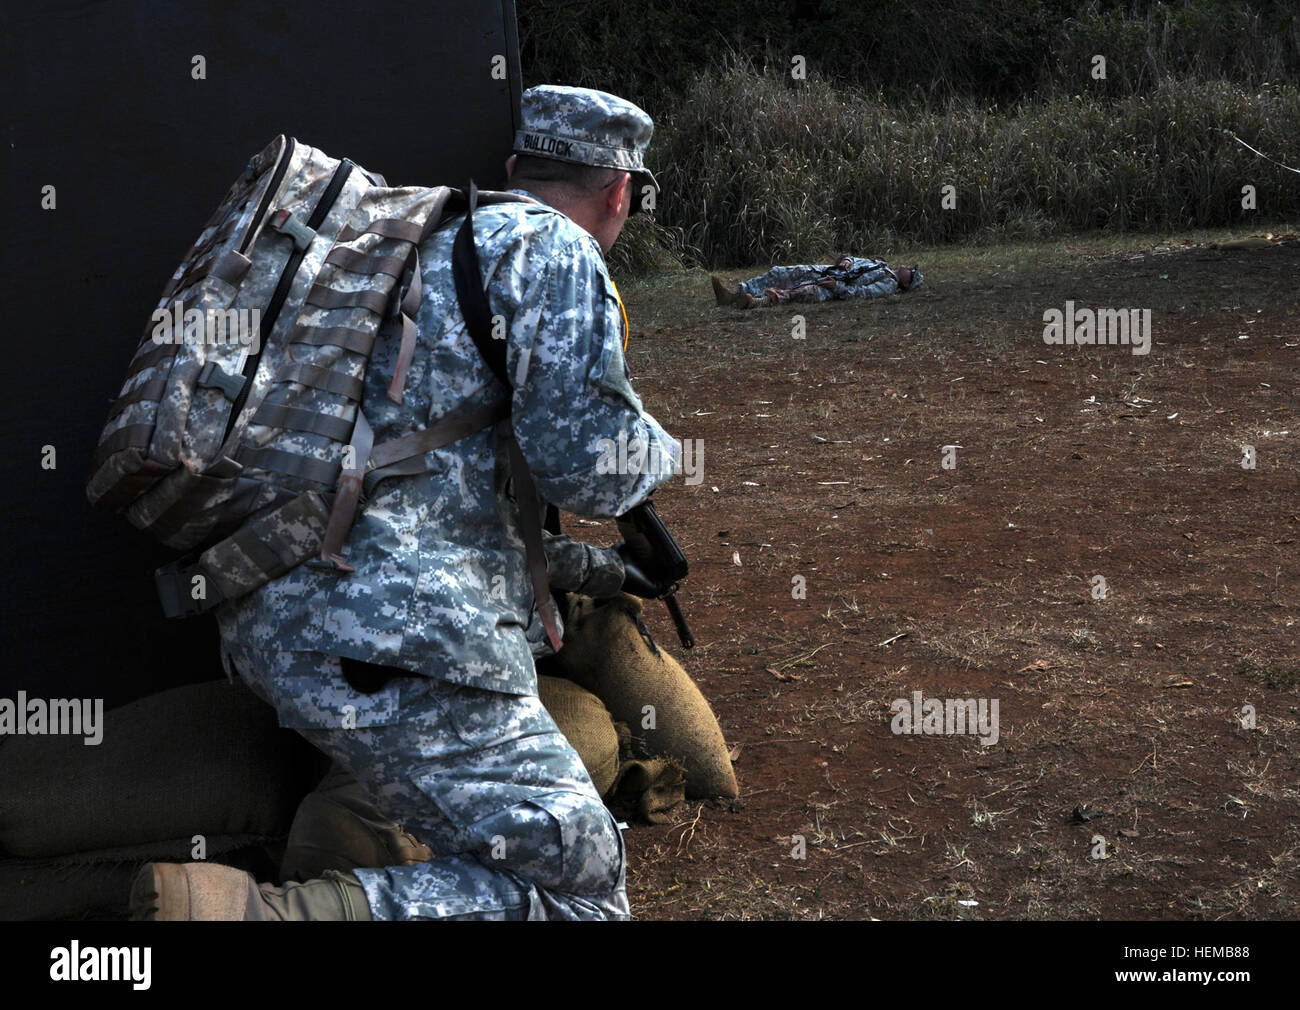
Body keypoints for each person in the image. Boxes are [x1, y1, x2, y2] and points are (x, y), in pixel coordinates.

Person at [130, 85, 681, 921]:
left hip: (281, 609)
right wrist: (665, 452)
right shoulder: (553, 253)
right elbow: (592, 472)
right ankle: (259, 918)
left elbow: (441, 497)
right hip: (402, 642)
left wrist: (602, 570)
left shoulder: (407, 247)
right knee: (583, 893)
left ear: (513, 169)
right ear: (619, 192)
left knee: (477, 837)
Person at [711, 254, 922, 308]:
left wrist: (835, 286)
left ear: (905, 284)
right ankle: (737, 293)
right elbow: (852, 257)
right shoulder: (881, 264)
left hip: (833, 287)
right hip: (829, 271)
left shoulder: (888, 283)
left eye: (911, 274)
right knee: (783, 272)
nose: (909, 268)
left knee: (805, 291)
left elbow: (860, 294)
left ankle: (757, 302)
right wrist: (847, 260)